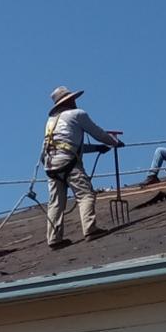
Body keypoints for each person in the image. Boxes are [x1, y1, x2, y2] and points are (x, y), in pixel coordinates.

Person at [43, 86, 123, 248]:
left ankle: (54, 239)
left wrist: (96, 148)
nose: (75, 102)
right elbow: (98, 132)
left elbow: (67, 145)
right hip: (69, 163)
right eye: (73, 100)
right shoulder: (77, 114)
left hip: (51, 166)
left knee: (56, 203)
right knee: (85, 195)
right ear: (69, 101)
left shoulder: (51, 122)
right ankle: (90, 229)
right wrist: (114, 142)